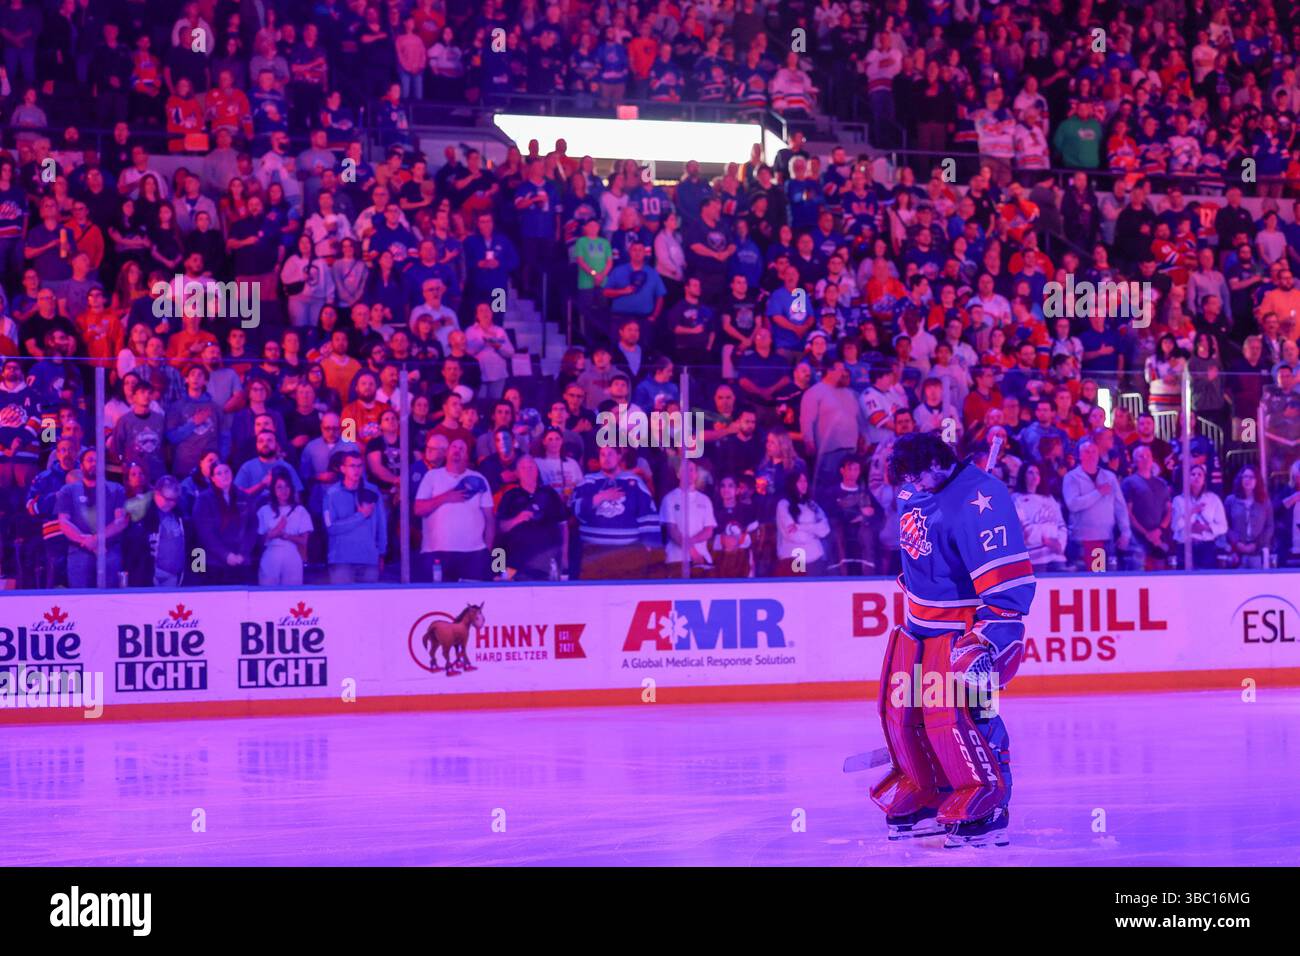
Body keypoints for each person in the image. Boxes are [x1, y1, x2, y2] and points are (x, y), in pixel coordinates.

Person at [873, 432, 1036, 848]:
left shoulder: (982, 496)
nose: (911, 483)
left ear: (938, 463)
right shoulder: (914, 490)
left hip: (962, 631)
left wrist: (990, 637)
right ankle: (931, 790)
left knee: (968, 717)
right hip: (918, 626)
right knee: (911, 716)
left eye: (916, 474)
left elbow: (1007, 587)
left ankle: (990, 802)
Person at [413, 436, 494, 582]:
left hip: (474, 554)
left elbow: (490, 519)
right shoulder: (432, 476)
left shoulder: (479, 478)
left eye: (462, 448)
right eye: (454, 447)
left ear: (468, 455)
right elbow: (418, 509)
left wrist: (487, 550)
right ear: (447, 453)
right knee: (436, 602)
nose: (457, 451)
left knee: (472, 602)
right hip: (436, 553)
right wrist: (446, 497)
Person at [497, 455, 568, 580]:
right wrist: (517, 519)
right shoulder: (510, 496)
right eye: (523, 468)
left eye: (531, 466)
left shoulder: (550, 494)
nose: (528, 470)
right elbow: (501, 528)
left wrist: (564, 557)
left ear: (537, 471)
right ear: (517, 473)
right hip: (515, 563)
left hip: (547, 562)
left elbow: (563, 526)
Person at [256, 466, 313, 585]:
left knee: (291, 595)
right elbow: (258, 541)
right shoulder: (264, 510)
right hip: (271, 555)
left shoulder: (300, 510)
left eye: (287, 486)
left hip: (292, 555)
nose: (284, 490)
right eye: (279, 487)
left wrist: (287, 536)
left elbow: (304, 541)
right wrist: (275, 532)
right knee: (268, 594)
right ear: (273, 490)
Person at [1171, 463, 1227, 570]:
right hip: (1185, 547)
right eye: (1193, 474)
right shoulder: (1178, 500)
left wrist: (1206, 528)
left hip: (1207, 548)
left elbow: (1223, 527)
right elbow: (1175, 526)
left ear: (1204, 479)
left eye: (1199, 475)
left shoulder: (1213, 499)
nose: (1196, 477)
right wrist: (1192, 511)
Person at [773, 470, 830, 575]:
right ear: (792, 483)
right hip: (795, 558)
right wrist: (815, 533)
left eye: (805, 481)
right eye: (800, 481)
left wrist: (800, 527)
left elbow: (825, 529)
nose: (804, 484)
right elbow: (796, 536)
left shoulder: (812, 504)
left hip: (816, 557)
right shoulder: (783, 505)